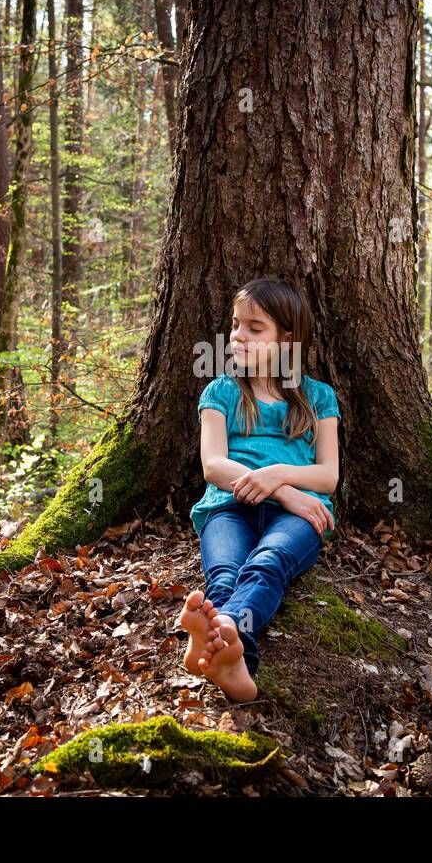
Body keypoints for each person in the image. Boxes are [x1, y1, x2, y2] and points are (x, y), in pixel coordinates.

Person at [180, 277, 341, 702]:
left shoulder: (318, 397)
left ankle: (220, 636)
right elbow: (213, 465)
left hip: (301, 516)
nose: (239, 336)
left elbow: (328, 476)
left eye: (255, 328)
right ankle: (235, 659)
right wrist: (282, 488)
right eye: (236, 325)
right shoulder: (222, 392)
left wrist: (276, 476)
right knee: (225, 573)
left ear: (286, 338)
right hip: (229, 505)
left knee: (268, 563)